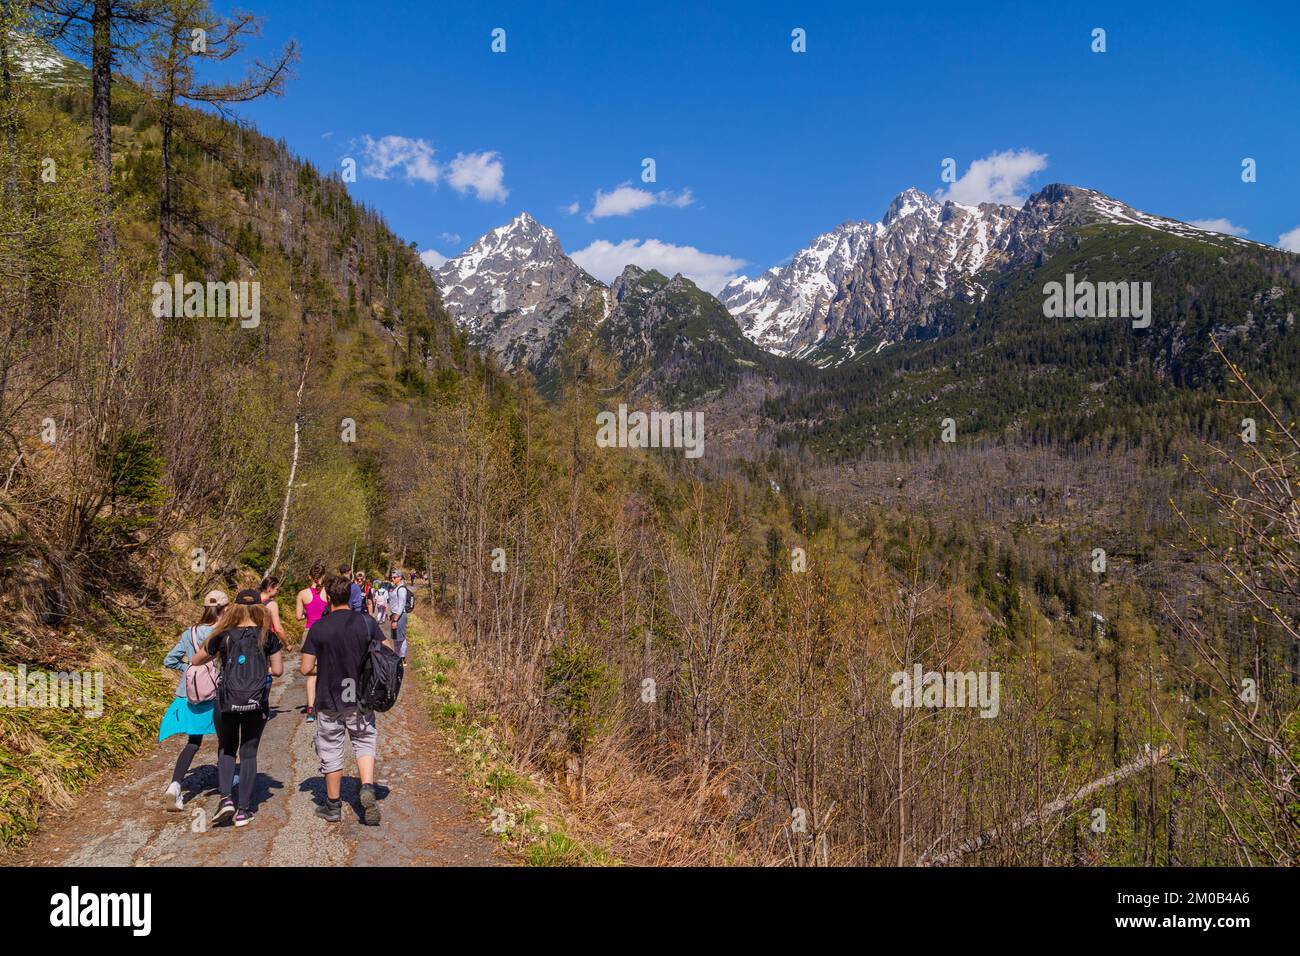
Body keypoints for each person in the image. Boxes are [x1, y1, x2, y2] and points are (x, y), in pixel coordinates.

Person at [300, 574, 392, 825]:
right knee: (363, 741)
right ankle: (368, 788)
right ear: (352, 595)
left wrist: (327, 666)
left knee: (331, 749)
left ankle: (333, 806)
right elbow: (388, 653)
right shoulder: (366, 622)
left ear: (328, 597)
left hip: (329, 698)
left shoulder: (319, 627)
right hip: (360, 697)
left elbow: (305, 668)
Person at [190, 590, 284, 827]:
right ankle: (243, 810)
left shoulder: (222, 635)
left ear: (234, 608)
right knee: (249, 753)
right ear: (260, 610)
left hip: (226, 700)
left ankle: (225, 800)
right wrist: (258, 671)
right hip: (256, 701)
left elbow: (196, 660)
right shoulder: (267, 636)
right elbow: (279, 670)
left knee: (227, 749)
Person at [158, 590, 228, 810]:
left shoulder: (190, 632)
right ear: (224, 609)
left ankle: (175, 785)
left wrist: (189, 669)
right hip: (216, 692)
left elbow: (169, 660)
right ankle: (226, 782)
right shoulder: (223, 632)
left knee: (193, 742)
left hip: (190, 693)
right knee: (225, 739)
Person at [295, 564, 329, 722]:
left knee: (310, 673)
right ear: (324, 576)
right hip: (326, 631)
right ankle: (326, 703)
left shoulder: (302, 594)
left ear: (309, 576)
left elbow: (298, 616)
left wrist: (307, 612)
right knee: (328, 666)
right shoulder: (327, 593)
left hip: (309, 632)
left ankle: (310, 708)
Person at [386, 569, 410, 659]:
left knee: (401, 638)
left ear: (400, 577)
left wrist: (395, 619)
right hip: (394, 615)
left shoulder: (401, 589)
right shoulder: (395, 587)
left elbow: (401, 606)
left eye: (395, 577)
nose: (392, 579)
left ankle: (402, 658)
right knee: (395, 637)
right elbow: (392, 602)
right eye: (391, 577)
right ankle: (396, 656)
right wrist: (389, 613)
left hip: (399, 616)